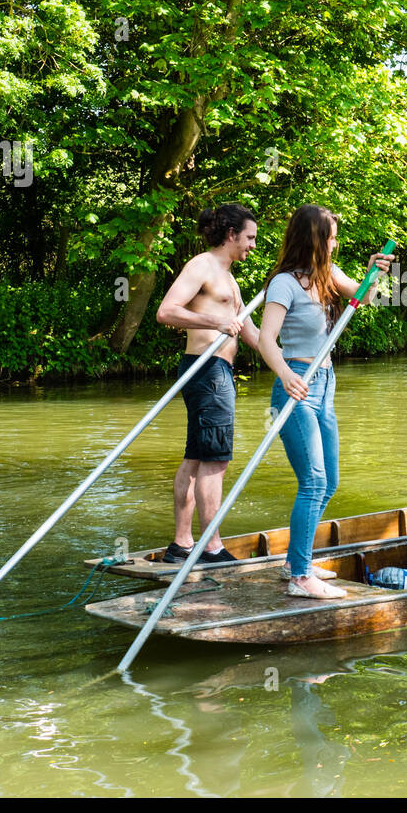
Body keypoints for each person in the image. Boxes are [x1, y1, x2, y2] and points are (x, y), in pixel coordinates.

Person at [257, 205, 392, 599]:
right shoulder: (284, 284)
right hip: (295, 387)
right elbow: (267, 340)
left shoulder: (328, 276)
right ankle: (301, 577)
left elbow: (366, 299)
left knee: (328, 481)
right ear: (315, 238)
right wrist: (285, 374)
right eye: (331, 236)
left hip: (325, 385)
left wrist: (372, 272)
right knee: (313, 481)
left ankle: (294, 562)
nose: (335, 243)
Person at [154, 204, 262, 564]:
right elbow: (166, 311)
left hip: (214, 373)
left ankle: (182, 545)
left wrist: (285, 363)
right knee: (215, 460)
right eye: (249, 238)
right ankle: (211, 547)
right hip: (207, 370)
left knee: (197, 457)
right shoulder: (202, 265)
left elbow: (246, 328)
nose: (252, 246)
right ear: (231, 234)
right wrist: (212, 323)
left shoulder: (229, 278)